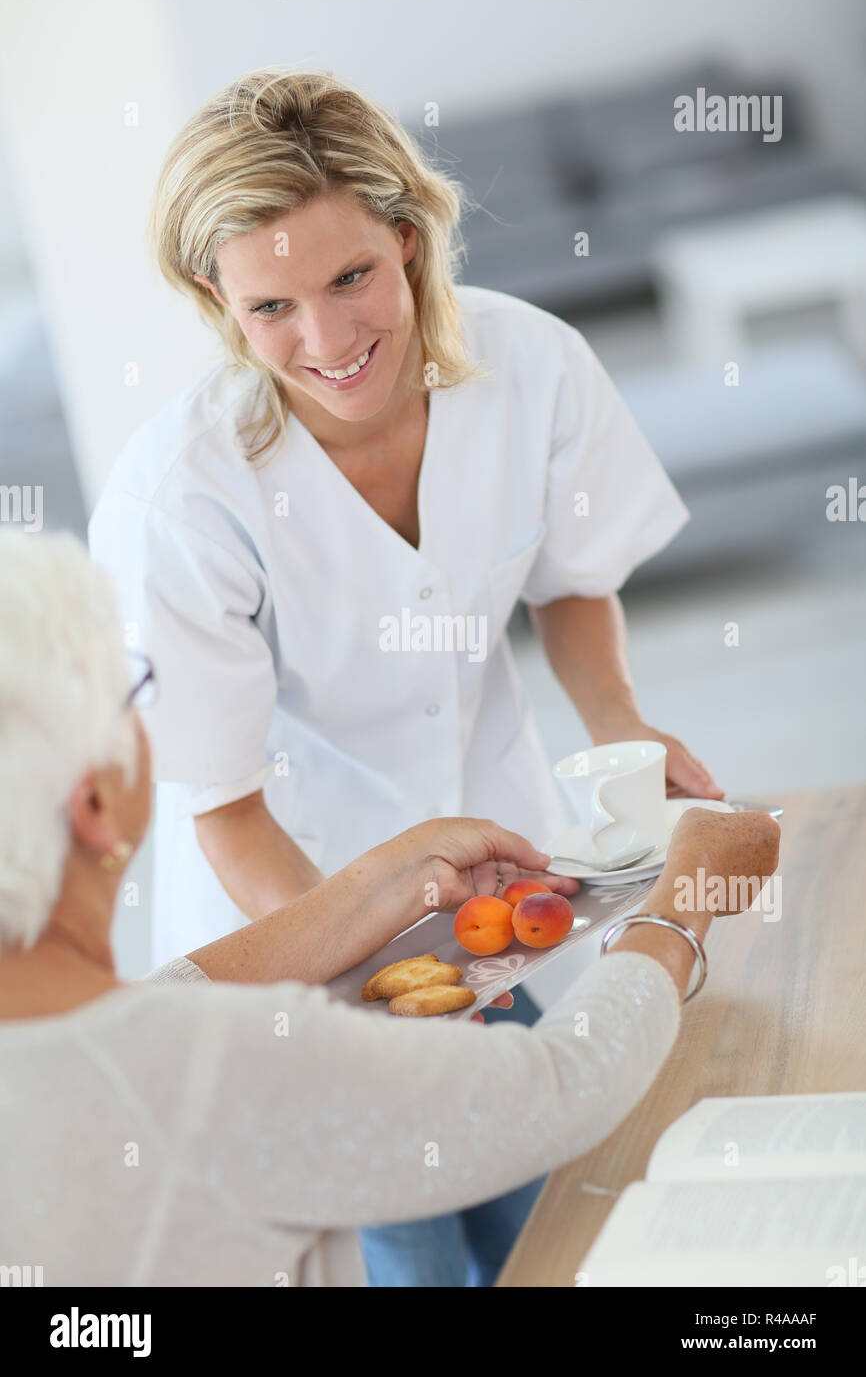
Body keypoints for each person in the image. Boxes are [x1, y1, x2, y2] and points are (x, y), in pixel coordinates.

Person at [87, 64, 724, 1286]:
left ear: (409, 234)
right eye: (269, 305)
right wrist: (390, 988)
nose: (327, 343)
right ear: (210, 296)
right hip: (296, 940)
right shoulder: (183, 494)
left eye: (350, 278)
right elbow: (222, 806)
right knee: (415, 1258)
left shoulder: (530, 366)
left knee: (561, 1228)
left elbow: (572, 574)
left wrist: (622, 727)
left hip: (494, 891)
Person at [0, 533, 779, 1287]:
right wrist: (686, 897)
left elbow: (146, 1017)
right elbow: (559, 1088)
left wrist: (382, 882)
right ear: (96, 801)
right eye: (132, 692)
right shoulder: (218, 1072)